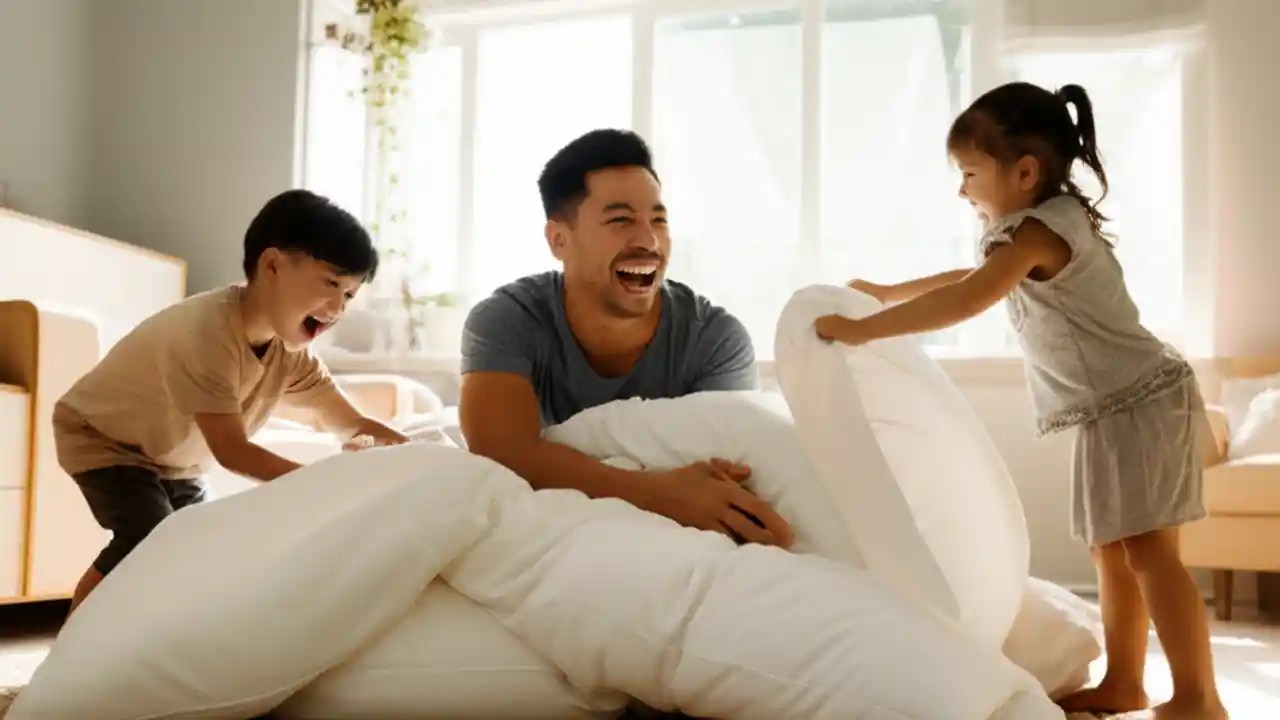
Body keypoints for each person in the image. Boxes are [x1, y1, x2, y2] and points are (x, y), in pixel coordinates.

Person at [815, 82, 1226, 720]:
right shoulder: (1033, 232)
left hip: (1140, 402)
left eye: (969, 174)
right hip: (1111, 408)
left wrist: (863, 329)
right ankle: (1125, 682)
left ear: (1024, 172)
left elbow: (969, 297)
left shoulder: (1039, 231)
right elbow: (974, 277)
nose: (962, 191)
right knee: (1112, 552)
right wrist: (891, 292)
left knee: (1149, 554)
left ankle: (1199, 698)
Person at [53, 189, 408, 613]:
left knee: (205, 549)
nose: (337, 308)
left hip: (175, 459)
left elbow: (350, 422)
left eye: (349, 295)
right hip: (105, 439)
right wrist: (320, 485)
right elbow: (233, 451)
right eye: (331, 283)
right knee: (148, 537)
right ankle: (74, 641)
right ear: (272, 265)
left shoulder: (291, 354)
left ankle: (157, 638)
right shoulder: (206, 332)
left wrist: (418, 457)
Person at [459, 128, 793, 549]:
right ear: (559, 239)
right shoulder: (508, 320)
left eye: (658, 220)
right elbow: (502, 454)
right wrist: (654, 493)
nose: (649, 240)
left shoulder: (714, 340)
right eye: (620, 220)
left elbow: (726, 481)